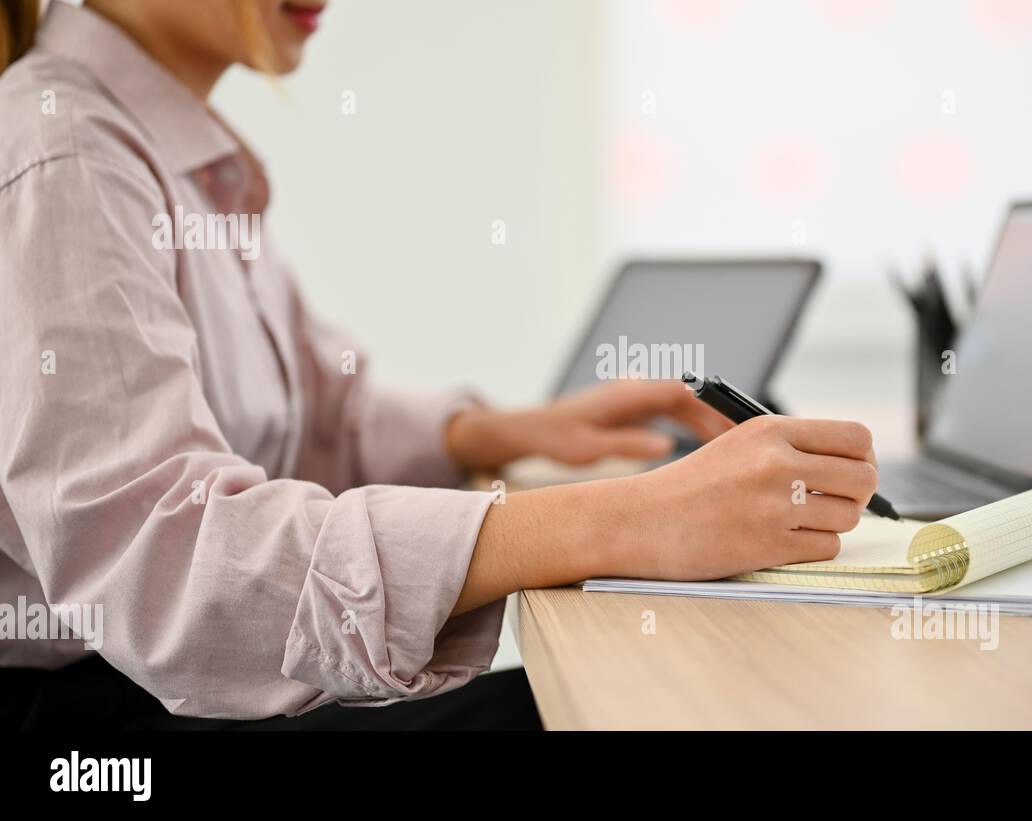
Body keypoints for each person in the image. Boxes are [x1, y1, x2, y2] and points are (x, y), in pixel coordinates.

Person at [0, 0, 879, 729]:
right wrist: (629, 518)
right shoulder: (66, 158)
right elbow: (165, 558)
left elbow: (318, 412)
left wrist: (497, 430)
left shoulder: (165, 154)